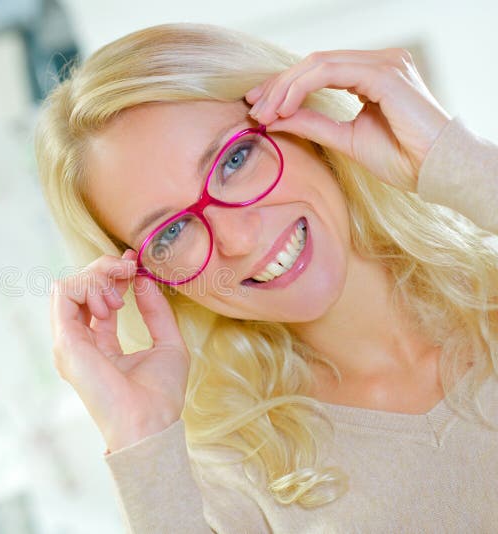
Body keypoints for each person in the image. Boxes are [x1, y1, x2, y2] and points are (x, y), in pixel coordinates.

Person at [34, 23, 498, 532]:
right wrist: (139, 433)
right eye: (171, 233)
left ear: (302, 119)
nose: (236, 238)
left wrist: (456, 160)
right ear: (149, 278)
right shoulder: (232, 479)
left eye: (235, 160)